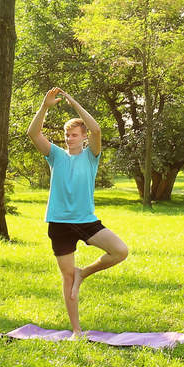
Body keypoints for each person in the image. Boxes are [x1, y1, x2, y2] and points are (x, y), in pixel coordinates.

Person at [27, 87, 128, 336]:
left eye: (73, 135)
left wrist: (75, 104)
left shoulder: (91, 156)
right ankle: (76, 331)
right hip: (60, 223)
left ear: (82, 137)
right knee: (67, 278)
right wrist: (45, 106)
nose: (69, 138)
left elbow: (97, 130)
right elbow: (33, 133)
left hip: (86, 221)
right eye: (67, 134)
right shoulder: (56, 156)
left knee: (120, 251)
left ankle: (85, 273)